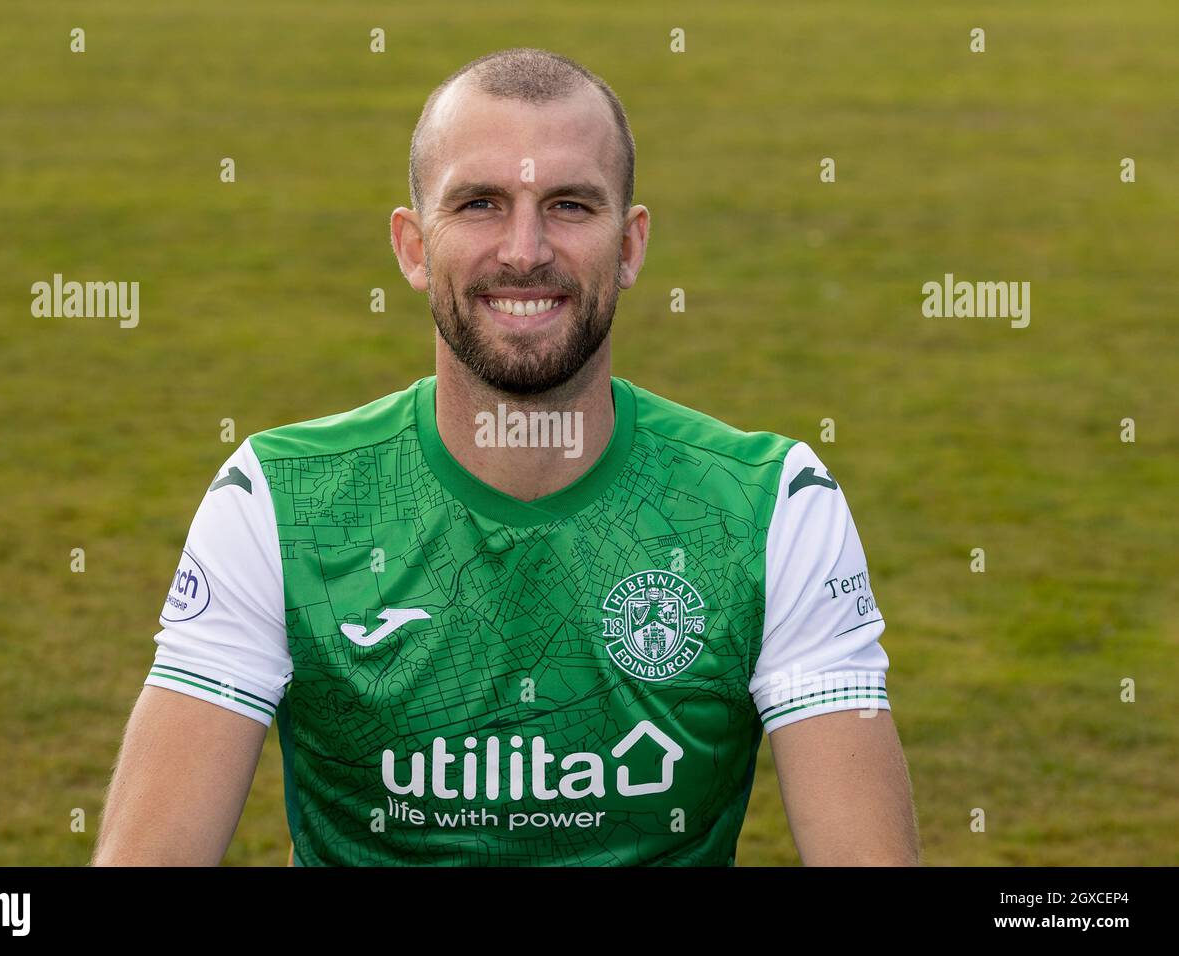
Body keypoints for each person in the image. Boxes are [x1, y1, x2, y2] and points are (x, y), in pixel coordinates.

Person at [93, 47, 920, 866]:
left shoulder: (771, 506)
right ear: (414, 247)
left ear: (631, 247)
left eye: (568, 205)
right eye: (482, 204)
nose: (525, 251)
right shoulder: (277, 502)